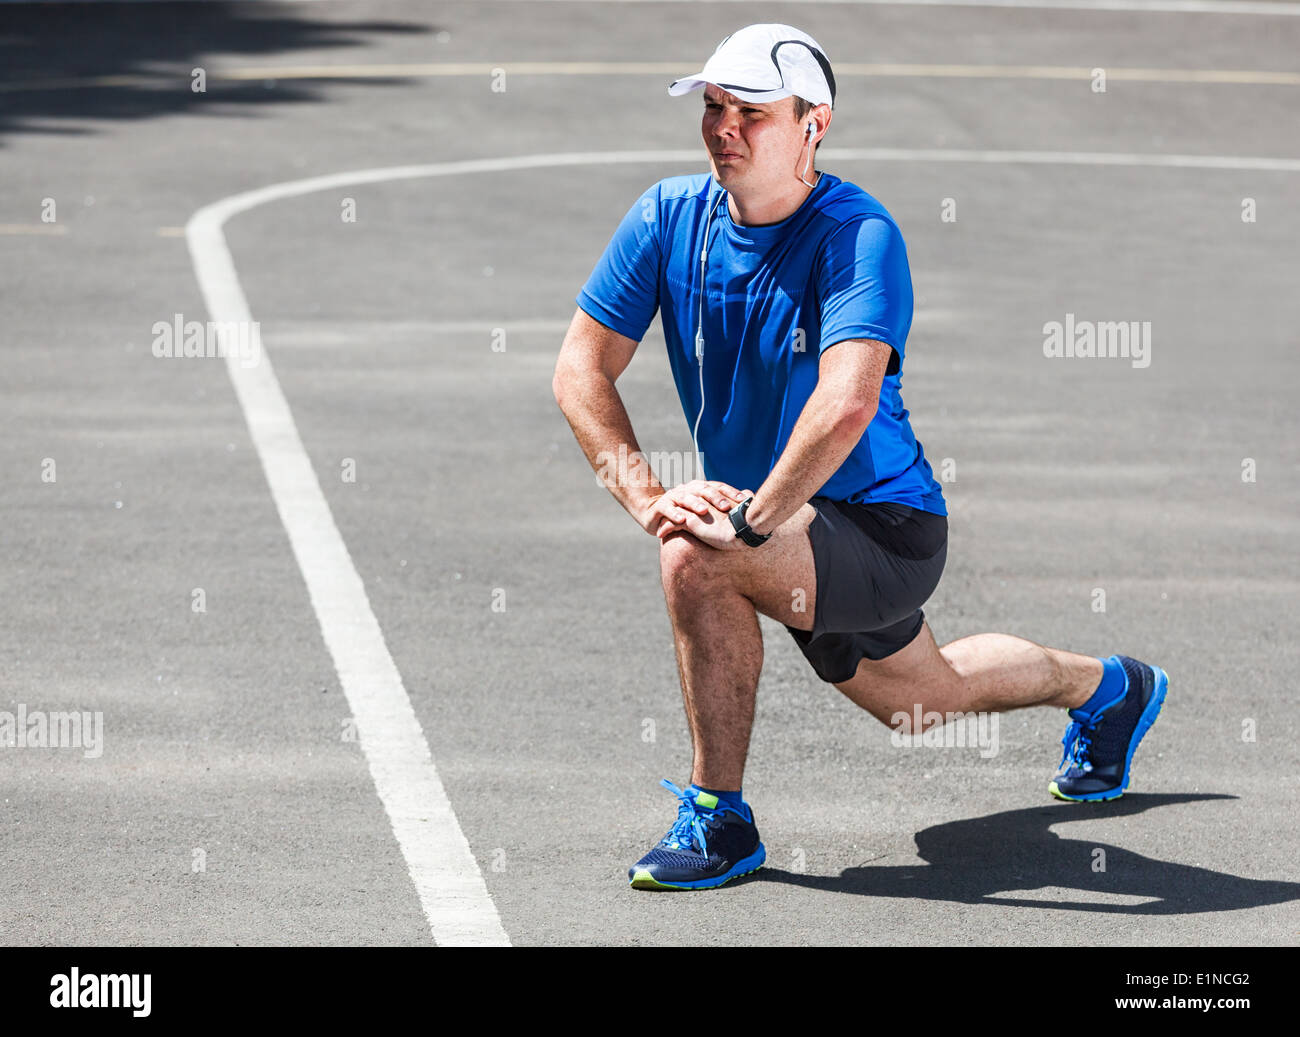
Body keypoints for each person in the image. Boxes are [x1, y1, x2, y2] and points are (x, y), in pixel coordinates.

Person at [551, 23, 1169, 891]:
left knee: (698, 557)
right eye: (714, 106)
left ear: (815, 123)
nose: (723, 126)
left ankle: (718, 818)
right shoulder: (666, 218)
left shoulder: (856, 235)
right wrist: (646, 495)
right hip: (789, 522)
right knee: (929, 702)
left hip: (885, 528)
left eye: (752, 112)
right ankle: (1109, 688)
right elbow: (580, 368)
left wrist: (745, 523)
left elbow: (847, 403)